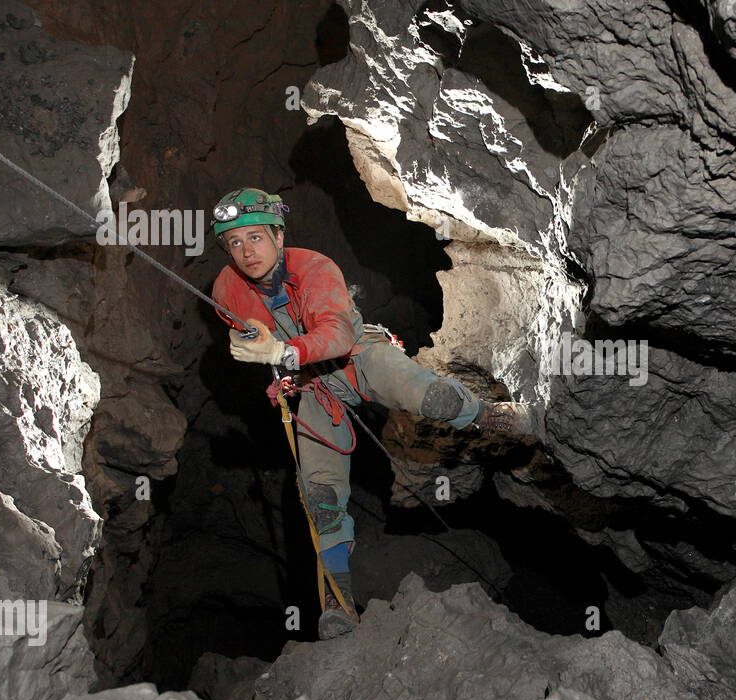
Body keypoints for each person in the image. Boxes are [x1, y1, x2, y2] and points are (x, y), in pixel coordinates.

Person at [209, 188, 534, 639]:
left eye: (255, 237)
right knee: (319, 497)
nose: (246, 251)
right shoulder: (226, 288)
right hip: (315, 387)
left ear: (278, 236)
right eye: (234, 243)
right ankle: (338, 604)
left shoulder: (315, 268)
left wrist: (281, 350)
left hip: (359, 356)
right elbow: (247, 336)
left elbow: (337, 334)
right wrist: (265, 355)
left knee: (431, 399)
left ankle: (492, 416)